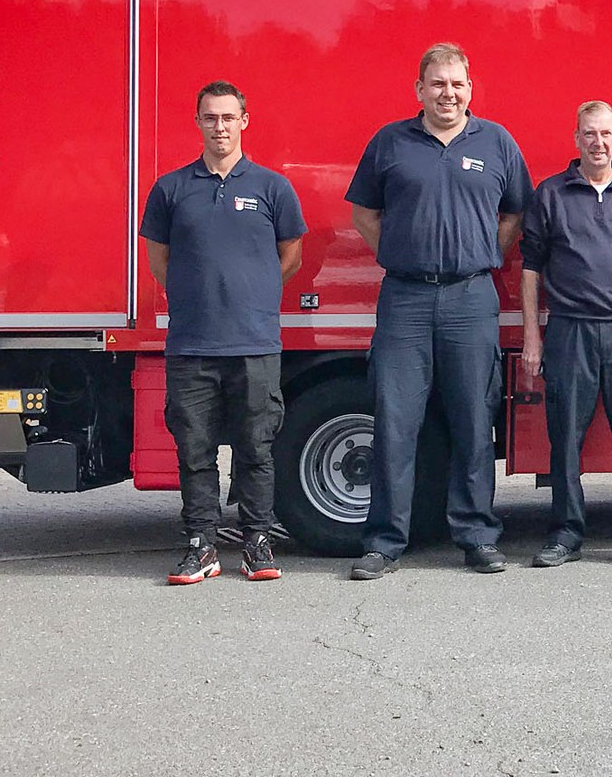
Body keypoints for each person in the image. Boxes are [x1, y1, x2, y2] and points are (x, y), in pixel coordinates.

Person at [346, 43, 531, 578]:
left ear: (470, 88)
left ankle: (477, 536)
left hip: (471, 299)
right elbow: (363, 210)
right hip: (404, 299)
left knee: (475, 422)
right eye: (438, 84)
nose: (448, 93)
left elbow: (516, 209)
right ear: (419, 90)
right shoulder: (391, 142)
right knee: (395, 424)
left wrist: (488, 254)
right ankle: (383, 542)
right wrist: (397, 252)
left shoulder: (496, 142)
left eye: (457, 83)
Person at [140, 81, 306, 585]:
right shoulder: (171, 189)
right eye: (210, 118)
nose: (220, 127)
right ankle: (201, 545)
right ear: (198, 122)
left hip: (255, 344)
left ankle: (257, 542)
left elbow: (291, 255)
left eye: (228, 118)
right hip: (192, 345)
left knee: (257, 448)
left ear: (244, 121)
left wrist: (250, 294)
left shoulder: (272, 187)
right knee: (195, 450)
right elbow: (159, 260)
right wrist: (202, 297)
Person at [519, 101, 612, 568]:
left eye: (605, 134)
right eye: (589, 134)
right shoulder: (550, 194)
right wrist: (532, 336)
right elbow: (530, 270)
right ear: (576, 139)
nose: (598, 142)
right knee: (565, 437)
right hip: (570, 331)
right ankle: (565, 534)